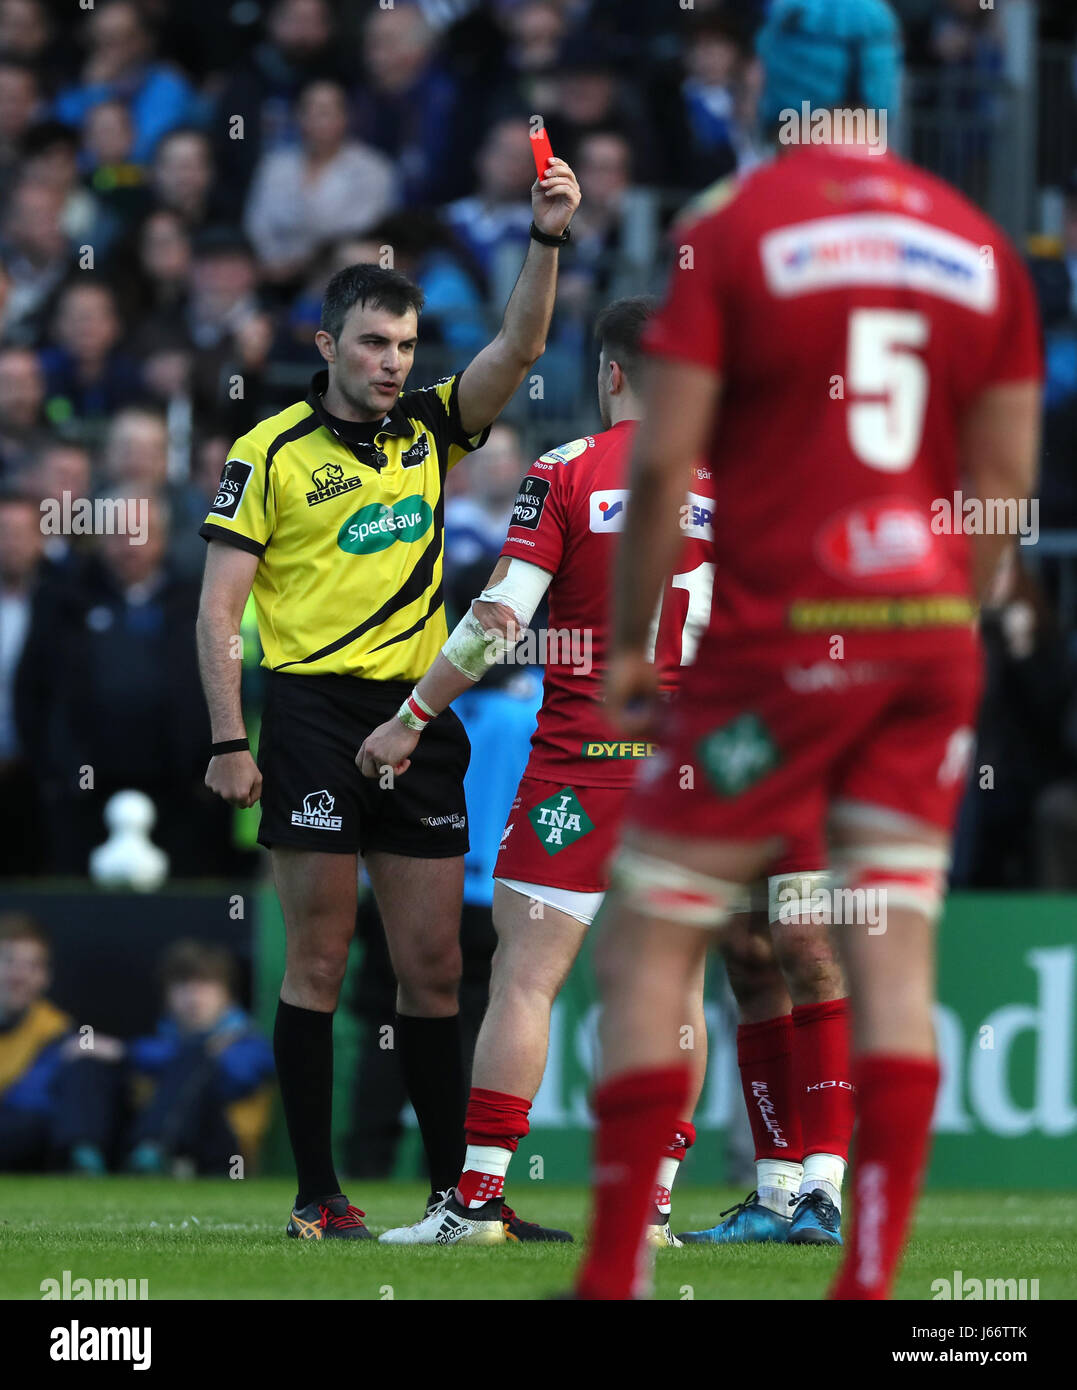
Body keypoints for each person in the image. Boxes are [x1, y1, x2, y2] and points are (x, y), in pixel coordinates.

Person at [573, 0, 1043, 1301]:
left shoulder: (733, 231)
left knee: (653, 930)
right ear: (884, 93)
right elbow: (1003, 487)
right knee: (889, 952)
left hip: (775, 651)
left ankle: (611, 1272)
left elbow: (662, 455)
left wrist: (624, 644)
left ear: (773, 90)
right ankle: (868, 1279)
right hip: (923, 644)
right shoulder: (976, 245)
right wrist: (956, 614)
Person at [197, 155, 580, 1240]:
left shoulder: (427, 430)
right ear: (325, 345)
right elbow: (218, 610)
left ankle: (464, 1200)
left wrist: (546, 238)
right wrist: (233, 735)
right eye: (372, 343)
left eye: (405, 346)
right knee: (321, 960)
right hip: (314, 714)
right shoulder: (267, 452)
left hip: (417, 717)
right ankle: (319, 1196)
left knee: (435, 965)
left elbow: (521, 349)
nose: (389, 363)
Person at [124, 941, 275, 1176]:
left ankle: (156, 1146)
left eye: (205, 985)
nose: (194, 997)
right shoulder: (162, 1042)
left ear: (228, 995)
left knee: (197, 1061)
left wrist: (202, 1051)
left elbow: (240, 1076)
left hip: (228, 1152)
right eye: (183, 986)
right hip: (177, 1141)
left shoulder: (250, 1041)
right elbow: (142, 1054)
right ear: (167, 994)